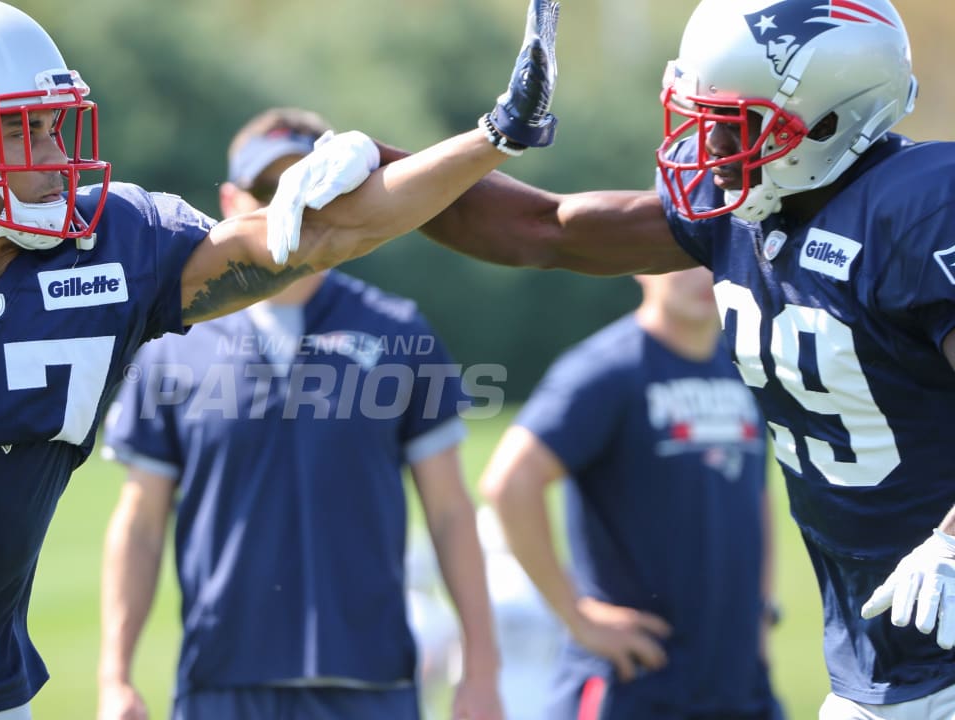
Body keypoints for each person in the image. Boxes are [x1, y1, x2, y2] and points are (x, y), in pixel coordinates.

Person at [0, 0, 561, 717]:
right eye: (22, 131)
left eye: (56, 125)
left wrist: (493, 135)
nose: (55, 154)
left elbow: (316, 236)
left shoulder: (111, 247)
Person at [270, 0, 955, 715]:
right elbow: (544, 228)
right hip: (886, 657)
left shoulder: (920, 207)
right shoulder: (749, 210)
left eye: (736, 121)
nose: (713, 144)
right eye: (706, 116)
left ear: (828, 121)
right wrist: (384, 163)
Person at [96, 107, 503, 720]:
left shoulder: (399, 331)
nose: (292, 204)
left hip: (371, 681)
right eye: (267, 188)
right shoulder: (172, 344)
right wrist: (114, 677)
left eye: (311, 185)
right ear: (230, 201)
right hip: (222, 681)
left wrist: (482, 669)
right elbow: (140, 524)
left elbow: (449, 513)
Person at [480, 267, 783, 719]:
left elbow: (755, 496)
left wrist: (762, 612)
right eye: (679, 257)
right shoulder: (607, 368)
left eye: (709, 256)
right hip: (636, 681)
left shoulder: (743, 369)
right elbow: (510, 482)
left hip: (737, 685)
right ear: (641, 266)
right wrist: (576, 615)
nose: (701, 274)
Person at [406, 506, 567, 720]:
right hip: (541, 702)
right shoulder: (550, 583)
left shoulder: (471, 588)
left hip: (487, 704)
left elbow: (440, 659)